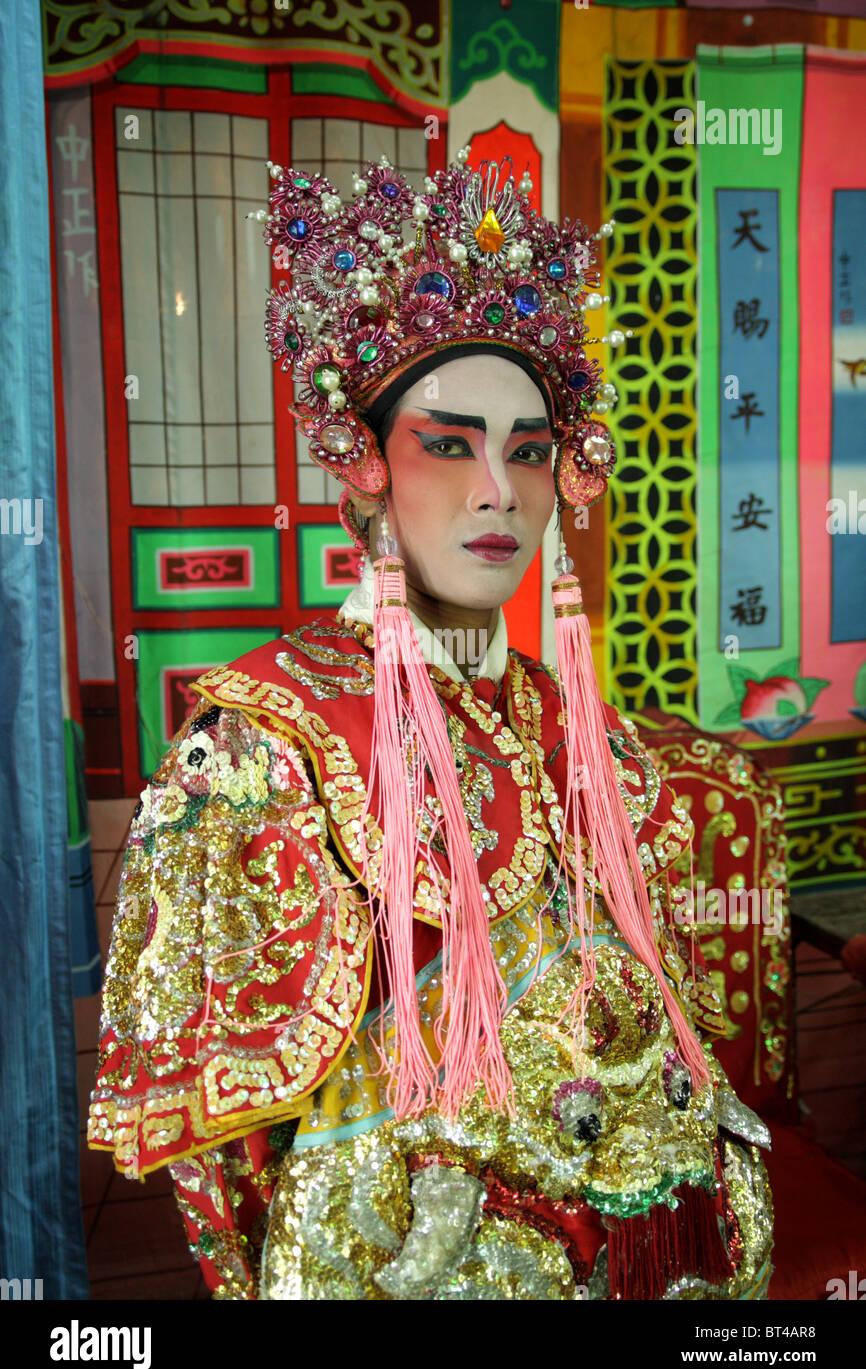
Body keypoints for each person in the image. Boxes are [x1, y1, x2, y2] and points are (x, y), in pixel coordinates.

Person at [88, 150, 774, 1300]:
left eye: (529, 449)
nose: (497, 490)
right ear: (360, 467)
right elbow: (231, 1166)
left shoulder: (570, 724)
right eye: (446, 443)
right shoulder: (268, 741)